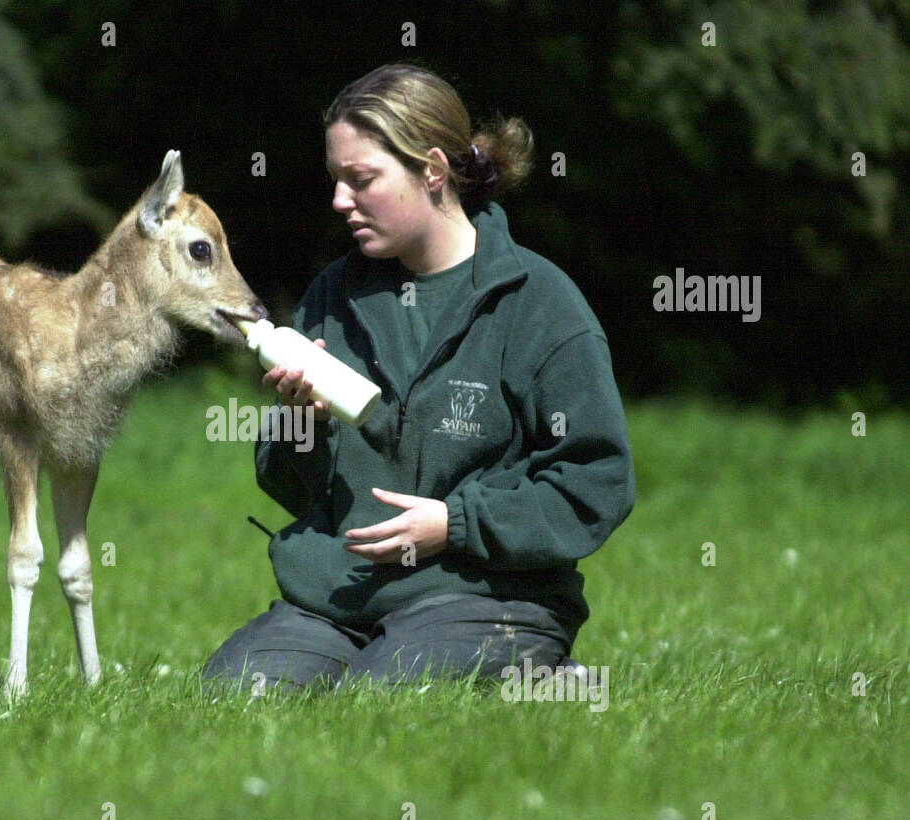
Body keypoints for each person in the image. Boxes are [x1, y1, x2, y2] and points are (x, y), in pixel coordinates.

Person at [201, 63, 636, 692]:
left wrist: (456, 524)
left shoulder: (540, 303)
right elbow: (292, 487)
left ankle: (552, 678)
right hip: (342, 602)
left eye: (362, 180)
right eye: (335, 180)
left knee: (390, 695)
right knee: (235, 691)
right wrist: (301, 424)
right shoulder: (334, 294)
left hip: (487, 598)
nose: (339, 201)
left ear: (433, 170)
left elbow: (598, 482)